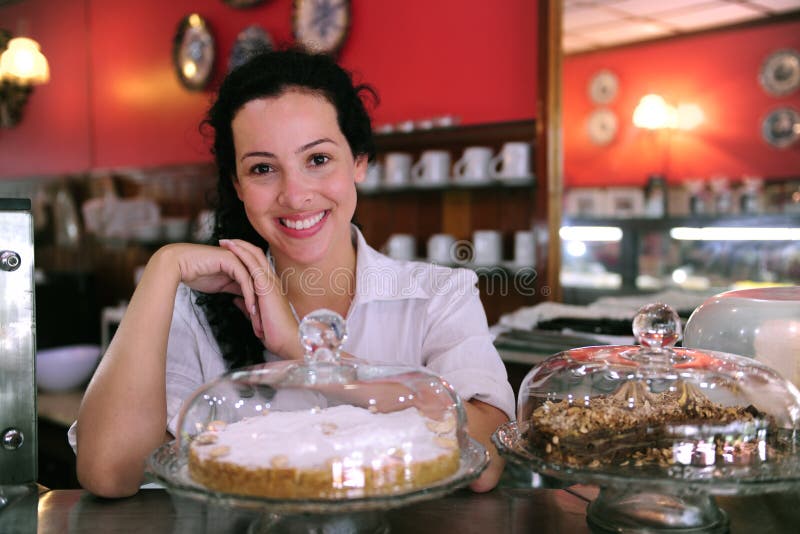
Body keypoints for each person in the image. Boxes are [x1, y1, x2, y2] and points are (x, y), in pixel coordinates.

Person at [73, 49, 515, 498]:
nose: (295, 194)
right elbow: (109, 471)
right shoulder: (197, 310)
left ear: (359, 161)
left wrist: (304, 353)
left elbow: (486, 460)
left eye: (318, 159)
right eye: (263, 169)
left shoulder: (439, 294)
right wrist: (163, 266)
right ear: (237, 185)